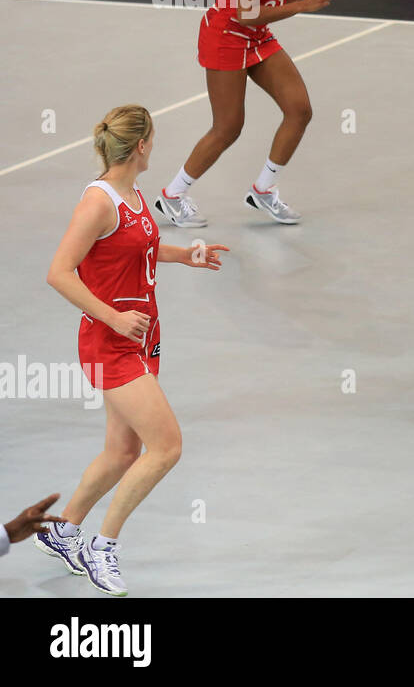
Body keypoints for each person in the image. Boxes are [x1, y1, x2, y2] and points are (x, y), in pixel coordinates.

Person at [40, 105, 229, 595]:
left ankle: (63, 530)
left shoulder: (131, 192)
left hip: (142, 336)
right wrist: (114, 317)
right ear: (142, 145)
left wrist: (185, 255)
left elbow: (139, 248)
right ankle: (103, 547)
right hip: (111, 342)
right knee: (166, 446)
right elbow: (59, 271)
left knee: (122, 451)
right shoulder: (98, 202)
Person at [154, 0, 334, 229]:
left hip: (256, 36)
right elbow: (245, 13)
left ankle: (264, 190)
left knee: (299, 109)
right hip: (226, 36)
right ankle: (173, 196)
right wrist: (300, 5)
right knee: (228, 127)